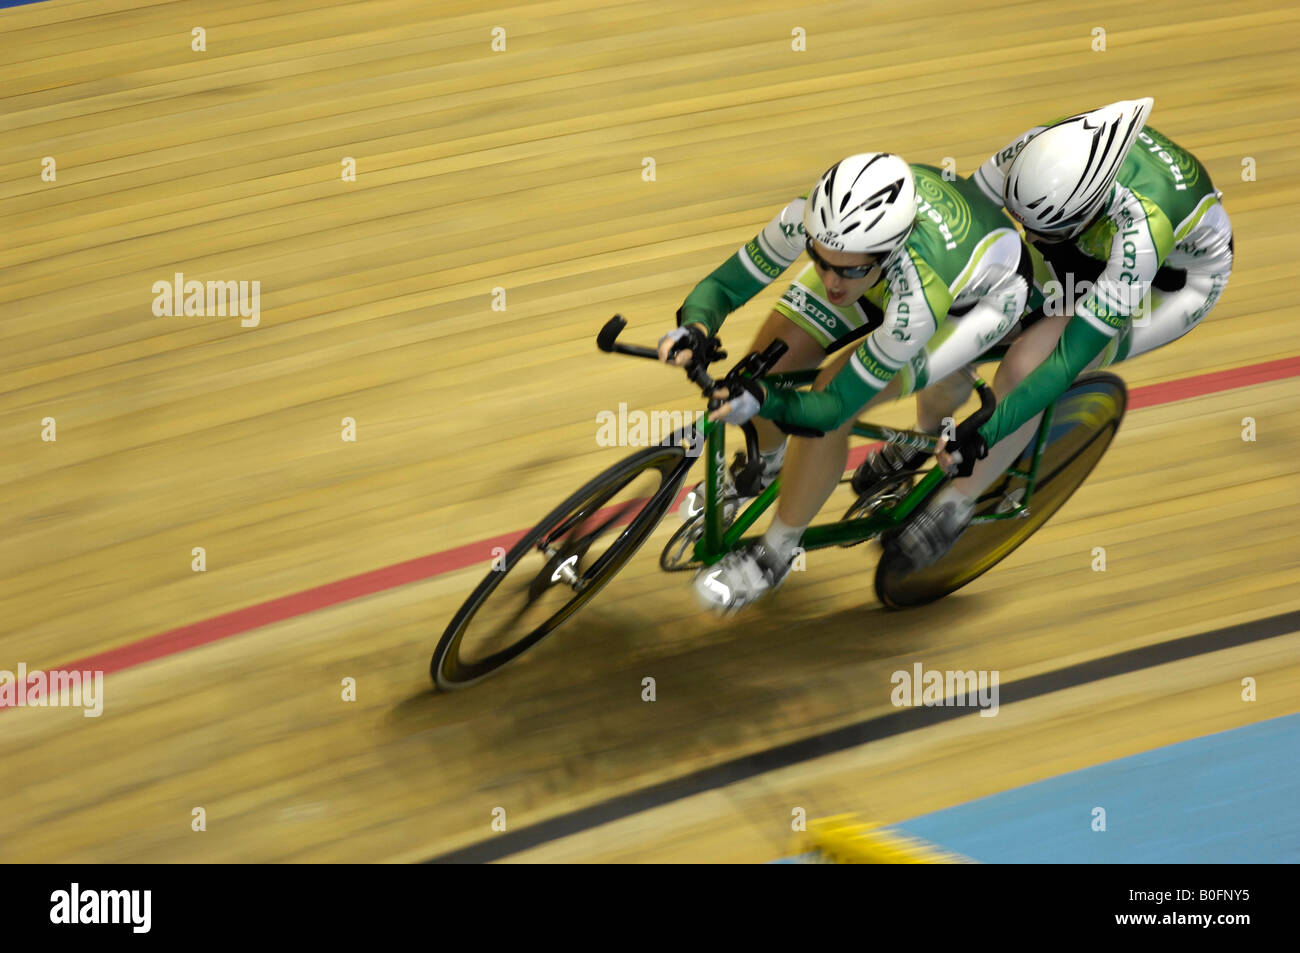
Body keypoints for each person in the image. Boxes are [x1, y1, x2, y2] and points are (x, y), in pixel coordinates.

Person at [659, 153, 1035, 613]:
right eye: (819, 260)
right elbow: (726, 284)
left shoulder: (919, 293)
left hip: (974, 304)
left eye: (848, 270)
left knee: (829, 403)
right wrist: (696, 327)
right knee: (764, 366)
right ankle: (767, 463)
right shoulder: (817, 223)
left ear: (886, 252)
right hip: (890, 270)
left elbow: (834, 407)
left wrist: (763, 402)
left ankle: (776, 552)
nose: (832, 282)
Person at [886, 97, 1234, 568]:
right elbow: (969, 226)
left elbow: (1066, 359)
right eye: (1022, 220)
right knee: (964, 318)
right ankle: (925, 433)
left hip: (1169, 283)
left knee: (1027, 366)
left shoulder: (1143, 229)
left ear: (1091, 210)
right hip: (1081, 246)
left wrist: (990, 428)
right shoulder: (1036, 154)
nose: (1027, 237)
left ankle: (958, 504)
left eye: (1039, 230)